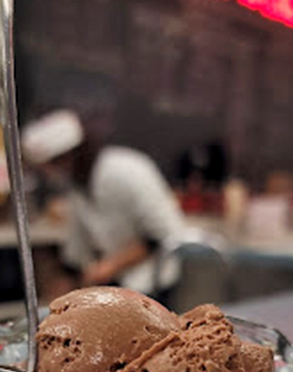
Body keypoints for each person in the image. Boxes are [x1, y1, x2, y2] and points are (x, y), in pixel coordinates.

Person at [22, 110, 186, 303]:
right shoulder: (77, 186)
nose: (52, 173)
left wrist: (110, 266)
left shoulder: (126, 170)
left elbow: (162, 234)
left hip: (152, 282)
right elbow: (77, 247)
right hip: (117, 287)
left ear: (69, 156)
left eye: (52, 165)